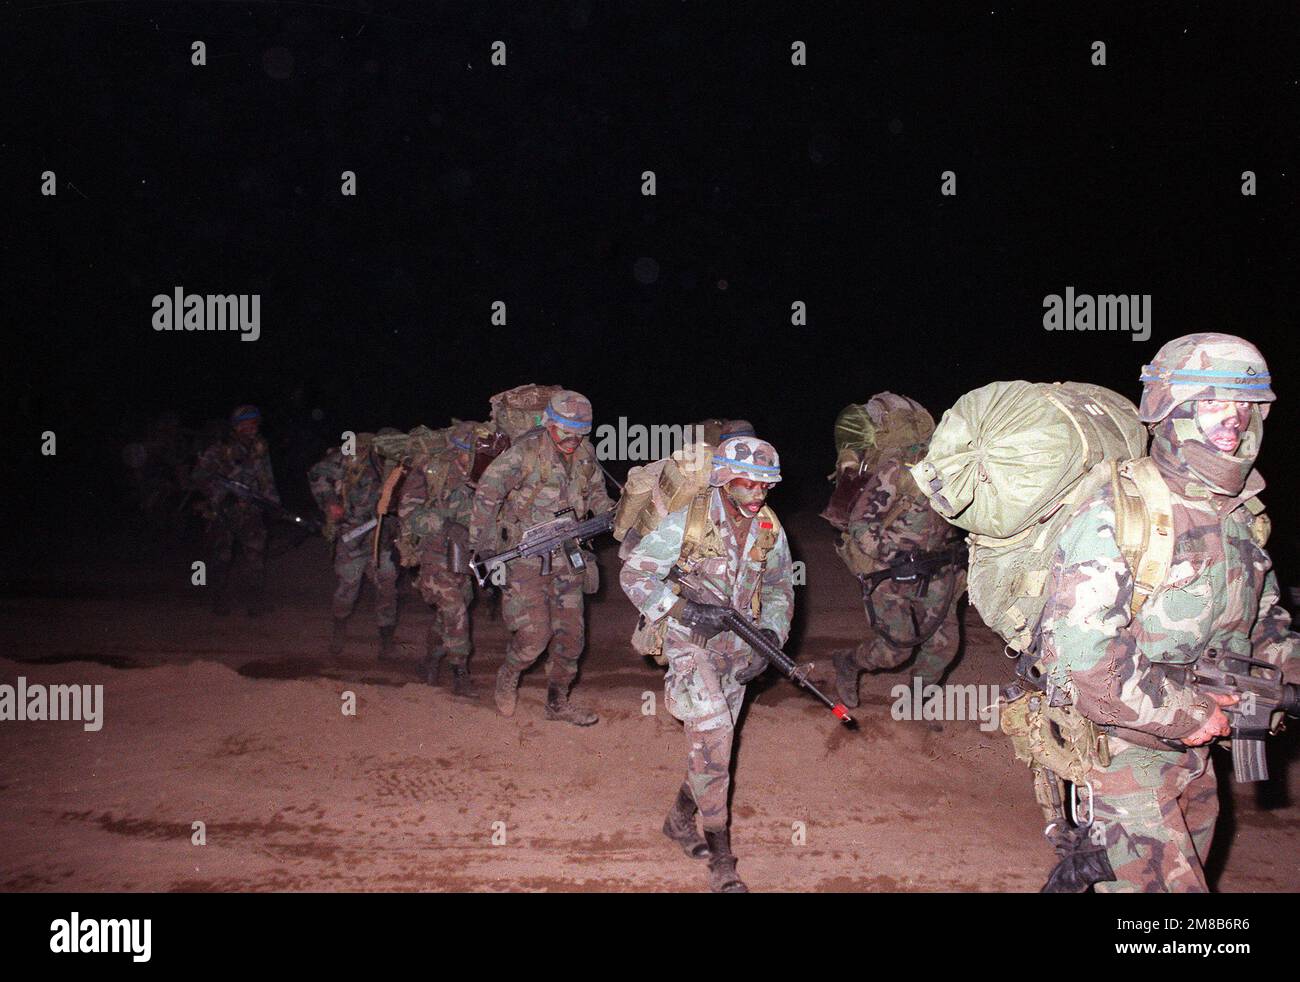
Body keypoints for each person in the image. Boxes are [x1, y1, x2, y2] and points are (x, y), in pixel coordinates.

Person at [1036, 333, 1297, 891]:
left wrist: (1285, 677)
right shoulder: (1120, 510)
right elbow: (1084, 659)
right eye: (1210, 402)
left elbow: (1265, 620)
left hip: (1193, 753)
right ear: (1170, 412)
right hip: (1121, 754)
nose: (1233, 418)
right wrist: (1189, 715)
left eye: (1246, 404)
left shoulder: (1240, 516)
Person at [620, 436, 794, 892]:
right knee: (715, 734)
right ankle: (722, 856)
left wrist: (771, 638)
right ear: (723, 479)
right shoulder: (689, 522)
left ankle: (680, 818)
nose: (758, 495)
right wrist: (681, 610)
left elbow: (779, 586)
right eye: (747, 483)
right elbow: (634, 572)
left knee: (712, 748)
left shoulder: (769, 528)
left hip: (738, 647)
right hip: (688, 643)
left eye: (765, 486)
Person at [468, 390, 615, 725]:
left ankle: (557, 703)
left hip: (568, 556)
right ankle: (509, 674)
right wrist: (485, 546)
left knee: (571, 638)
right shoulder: (524, 454)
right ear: (549, 424)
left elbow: (596, 494)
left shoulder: (585, 455)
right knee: (534, 637)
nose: (573, 440)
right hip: (525, 560)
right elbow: (488, 494)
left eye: (581, 433)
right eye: (566, 432)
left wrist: (611, 516)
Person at [829, 395, 964, 707]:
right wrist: (892, 557)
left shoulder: (959, 474)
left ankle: (916, 703)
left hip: (938, 567)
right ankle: (848, 662)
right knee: (895, 651)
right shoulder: (899, 470)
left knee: (944, 645)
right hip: (889, 570)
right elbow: (861, 524)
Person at [308, 431, 402, 659]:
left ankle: (386, 638)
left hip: (381, 537)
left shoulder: (397, 464)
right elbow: (316, 473)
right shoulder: (352, 457)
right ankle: (339, 627)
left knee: (387, 586)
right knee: (348, 587)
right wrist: (330, 502)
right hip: (352, 533)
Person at [193, 404, 279, 616]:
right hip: (223, 512)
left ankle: (255, 604)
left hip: (251, 510)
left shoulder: (260, 447)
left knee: (255, 558)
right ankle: (218, 601)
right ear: (236, 426)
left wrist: (272, 502)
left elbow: (266, 477)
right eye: (246, 424)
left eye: (254, 423)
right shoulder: (219, 449)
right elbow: (199, 477)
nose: (251, 428)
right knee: (221, 558)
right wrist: (222, 496)